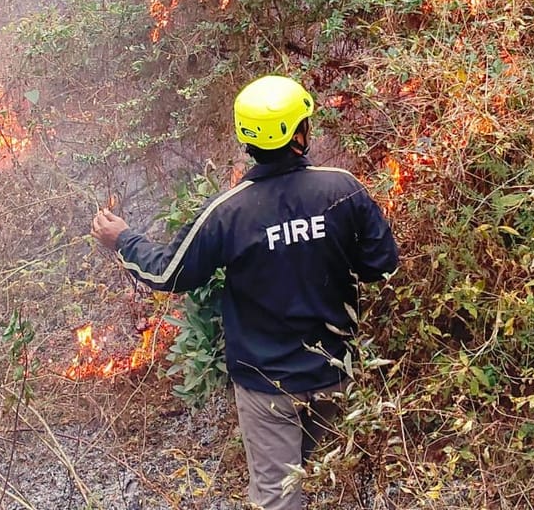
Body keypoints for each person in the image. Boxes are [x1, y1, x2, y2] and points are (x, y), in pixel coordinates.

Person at [91, 74, 399, 510]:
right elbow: (380, 264)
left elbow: (168, 275)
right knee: (330, 483)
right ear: (300, 133)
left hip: (267, 386)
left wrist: (123, 239)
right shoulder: (342, 189)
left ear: (245, 138)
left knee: (279, 499)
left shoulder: (228, 212)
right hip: (335, 372)